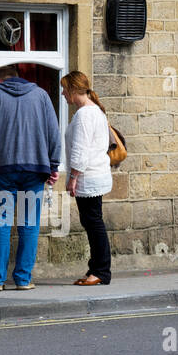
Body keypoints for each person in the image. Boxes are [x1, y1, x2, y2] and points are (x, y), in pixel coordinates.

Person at [0, 64, 61, 290]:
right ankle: (23, 279)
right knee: (29, 223)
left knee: (1, 223)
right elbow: (54, 131)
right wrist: (53, 165)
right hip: (34, 168)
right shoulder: (41, 95)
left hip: (3, 168)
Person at [60, 70, 112, 286]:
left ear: (73, 90)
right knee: (93, 222)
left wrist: (73, 178)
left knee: (93, 223)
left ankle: (101, 271)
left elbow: (80, 151)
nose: (62, 94)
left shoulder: (83, 115)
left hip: (88, 176)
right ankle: (97, 269)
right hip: (96, 174)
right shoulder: (95, 111)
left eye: (64, 89)